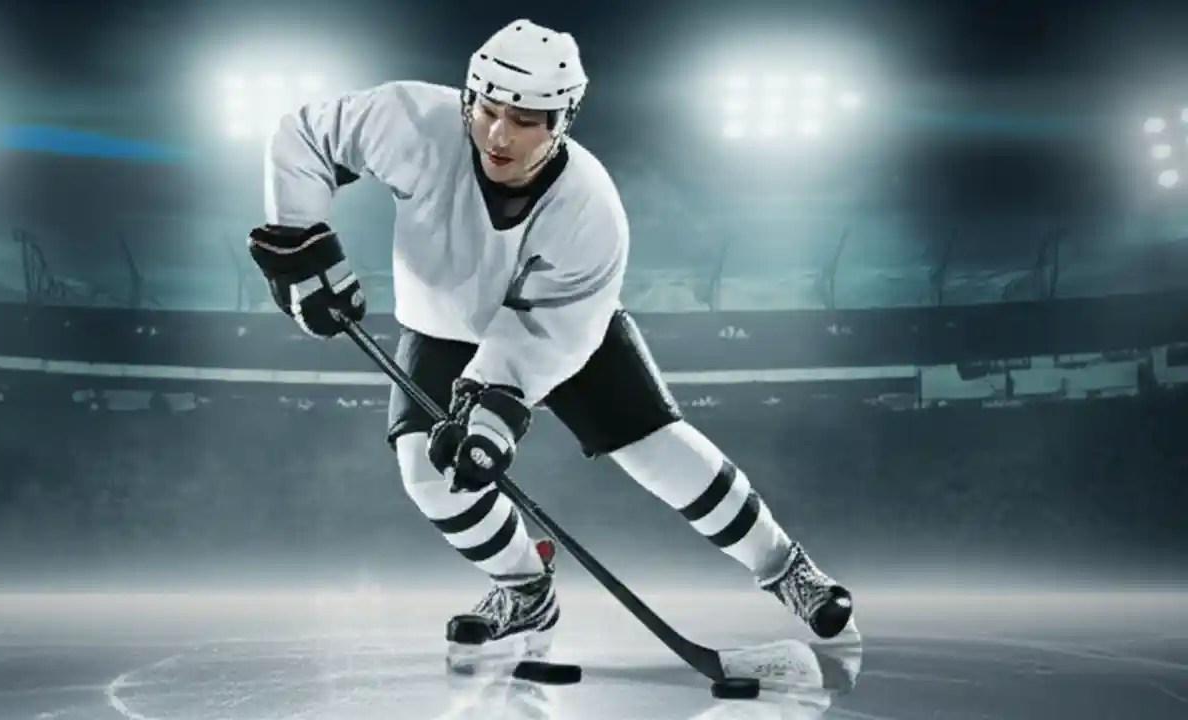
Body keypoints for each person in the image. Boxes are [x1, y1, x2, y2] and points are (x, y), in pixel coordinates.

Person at [246, 19, 854, 661]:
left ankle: (786, 568)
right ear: (467, 97)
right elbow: (305, 135)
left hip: (558, 326)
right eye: (487, 108)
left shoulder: (589, 207)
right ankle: (523, 590)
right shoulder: (415, 121)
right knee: (428, 476)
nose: (499, 134)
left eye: (526, 118)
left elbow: (546, 333)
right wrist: (298, 243)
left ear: (562, 119)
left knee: (660, 452)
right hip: (441, 322)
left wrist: (492, 419)